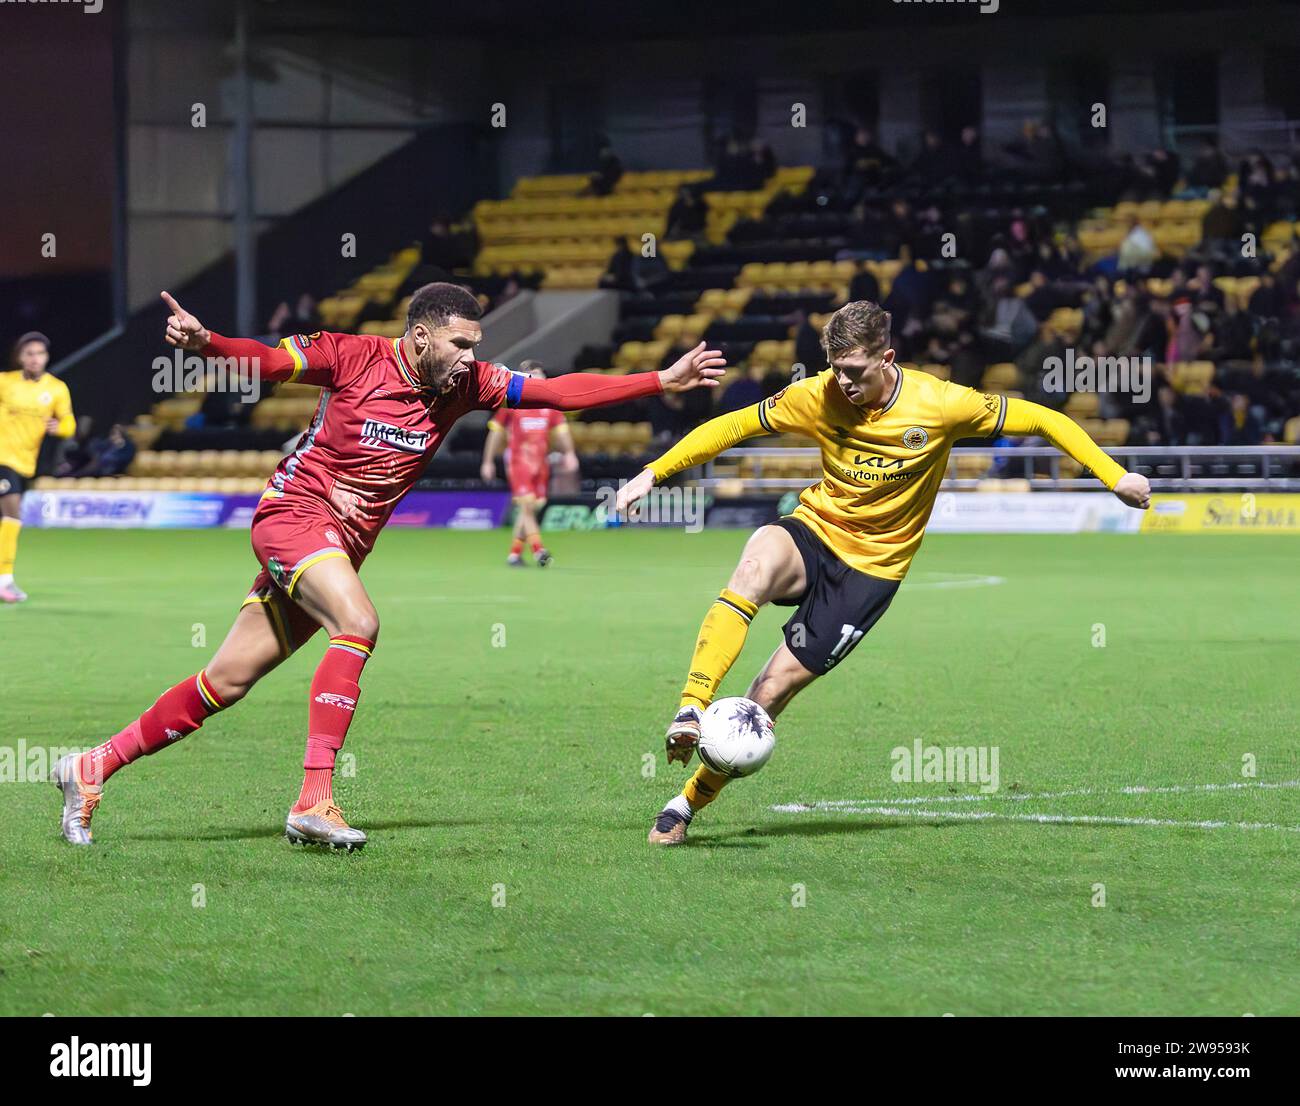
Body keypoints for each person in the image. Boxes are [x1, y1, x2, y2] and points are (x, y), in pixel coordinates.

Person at [51, 282, 725, 849]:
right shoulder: (348, 355)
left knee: (223, 682)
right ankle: (314, 800)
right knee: (360, 621)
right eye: (461, 344)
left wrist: (660, 380)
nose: (471, 358)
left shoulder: (467, 388)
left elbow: (559, 395)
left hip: (337, 547)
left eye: (476, 347)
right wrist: (211, 346)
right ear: (424, 336)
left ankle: (92, 765)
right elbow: (264, 361)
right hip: (294, 517)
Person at [615, 301, 1151, 845]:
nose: (841, 383)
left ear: (887, 358)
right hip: (816, 530)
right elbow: (734, 426)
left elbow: (1043, 417)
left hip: (870, 572)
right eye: (833, 368)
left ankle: (684, 805)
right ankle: (691, 707)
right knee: (754, 563)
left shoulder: (940, 404)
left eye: (853, 372)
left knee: (770, 693)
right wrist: (653, 473)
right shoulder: (817, 393)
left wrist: (1114, 476)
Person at [0, 331, 75, 603]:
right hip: (2, 458)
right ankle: (4, 581)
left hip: (25, 463)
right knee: (12, 513)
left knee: (7, 519)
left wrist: (60, 427)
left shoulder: (56, 388)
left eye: (39, 353)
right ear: (20, 357)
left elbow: (70, 424)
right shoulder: (4, 383)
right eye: (29, 353)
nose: (34, 359)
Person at [480, 360, 578, 567]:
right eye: (533, 374)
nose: (539, 378)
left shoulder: (550, 407)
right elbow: (495, 433)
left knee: (531, 509)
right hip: (518, 462)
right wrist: (487, 461)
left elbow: (562, 433)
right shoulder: (513, 403)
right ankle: (538, 550)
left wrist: (569, 454)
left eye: (540, 374)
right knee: (526, 507)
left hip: (541, 464)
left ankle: (514, 554)